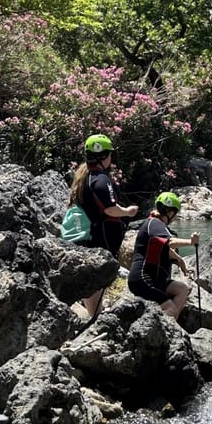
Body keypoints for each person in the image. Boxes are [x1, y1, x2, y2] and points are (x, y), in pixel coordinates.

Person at [68, 133, 138, 317]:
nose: (111, 158)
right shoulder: (101, 179)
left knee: (92, 282)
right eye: (110, 154)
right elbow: (109, 209)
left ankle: (93, 315)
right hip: (100, 240)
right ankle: (95, 317)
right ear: (104, 156)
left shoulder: (85, 177)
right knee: (96, 281)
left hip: (89, 237)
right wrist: (128, 211)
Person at [128, 192, 200, 319]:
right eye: (176, 215)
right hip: (143, 279)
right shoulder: (155, 223)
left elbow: (164, 248)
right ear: (171, 213)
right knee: (170, 309)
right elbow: (170, 242)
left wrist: (180, 260)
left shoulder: (155, 224)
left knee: (182, 289)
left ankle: (169, 324)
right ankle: (164, 329)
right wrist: (191, 242)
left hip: (155, 279)